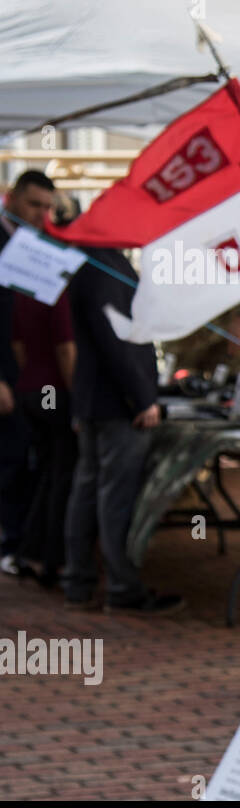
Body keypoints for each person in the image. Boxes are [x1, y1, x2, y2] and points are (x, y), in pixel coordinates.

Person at [62, 249, 183, 614]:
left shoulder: (93, 263)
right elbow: (116, 339)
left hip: (98, 401)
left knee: (89, 490)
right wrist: (142, 398)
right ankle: (121, 587)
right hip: (116, 405)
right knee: (114, 497)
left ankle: (80, 582)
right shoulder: (104, 267)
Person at [10, 249, 78, 588]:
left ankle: (33, 553)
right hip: (51, 391)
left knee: (49, 471)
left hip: (29, 388)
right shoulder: (59, 294)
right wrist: (76, 399)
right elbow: (66, 350)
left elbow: (19, 344)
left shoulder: (26, 293)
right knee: (61, 472)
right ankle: (53, 558)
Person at [0, 171, 56, 578]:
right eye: (35, 205)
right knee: (11, 457)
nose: (43, 214)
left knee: (28, 457)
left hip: (32, 377)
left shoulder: (37, 245)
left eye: (49, 207)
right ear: (12, 198)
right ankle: (10, 543)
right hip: (6, 376)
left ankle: (22, 543)